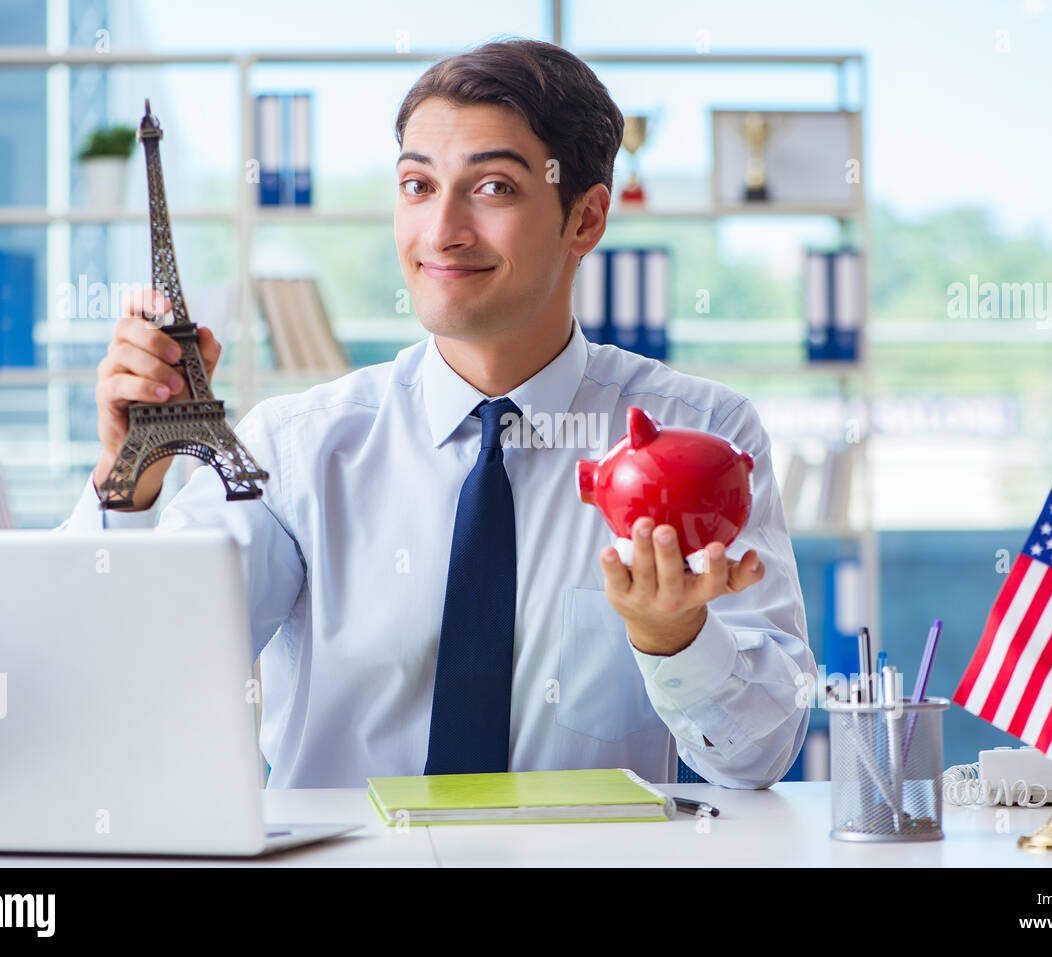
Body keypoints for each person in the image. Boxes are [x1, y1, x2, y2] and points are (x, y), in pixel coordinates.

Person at [59, 36, 814, 789]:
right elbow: (131, 675)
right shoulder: (296, 453)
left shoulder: (703, 440)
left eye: (493, 189)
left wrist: (675, 638)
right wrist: (127, 486)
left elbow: (758, 757)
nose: (442, 230)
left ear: (585, 220)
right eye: (418, 186)